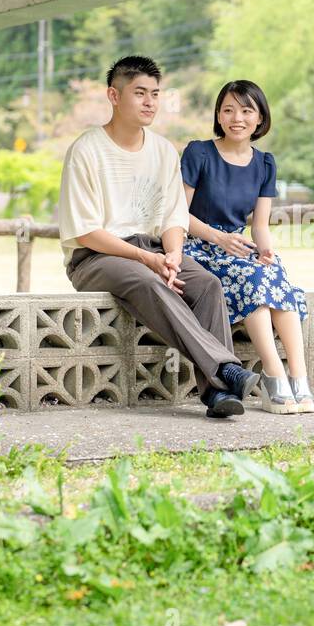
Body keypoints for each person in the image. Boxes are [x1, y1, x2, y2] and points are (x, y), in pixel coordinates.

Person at [58, 55, 260, 418]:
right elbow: (88, 233)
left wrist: (172, 255)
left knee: (207, 284)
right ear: (114, 96)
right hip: (95, 257)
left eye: (155, 93)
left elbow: (173, 216)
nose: (150, 101)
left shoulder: (164, 150)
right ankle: (225, 370)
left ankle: (217, 396)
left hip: (152, 248)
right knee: (151, 283)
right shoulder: (86, 150)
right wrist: (146, 260)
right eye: (140, 93)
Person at [180, 80, 314, 414]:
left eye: (246, 110)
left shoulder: (265, 163)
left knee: (272, 272)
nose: (236, 117)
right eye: (228, 109)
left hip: (239, 248)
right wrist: (219, 237)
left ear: (259, 118)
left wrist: (265, 251)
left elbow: (259, 226)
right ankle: (273, 373)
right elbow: (178, 215)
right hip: (200, 248)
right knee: (255, 281)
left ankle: (299, 376)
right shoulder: (199, 153)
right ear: (218, 115)